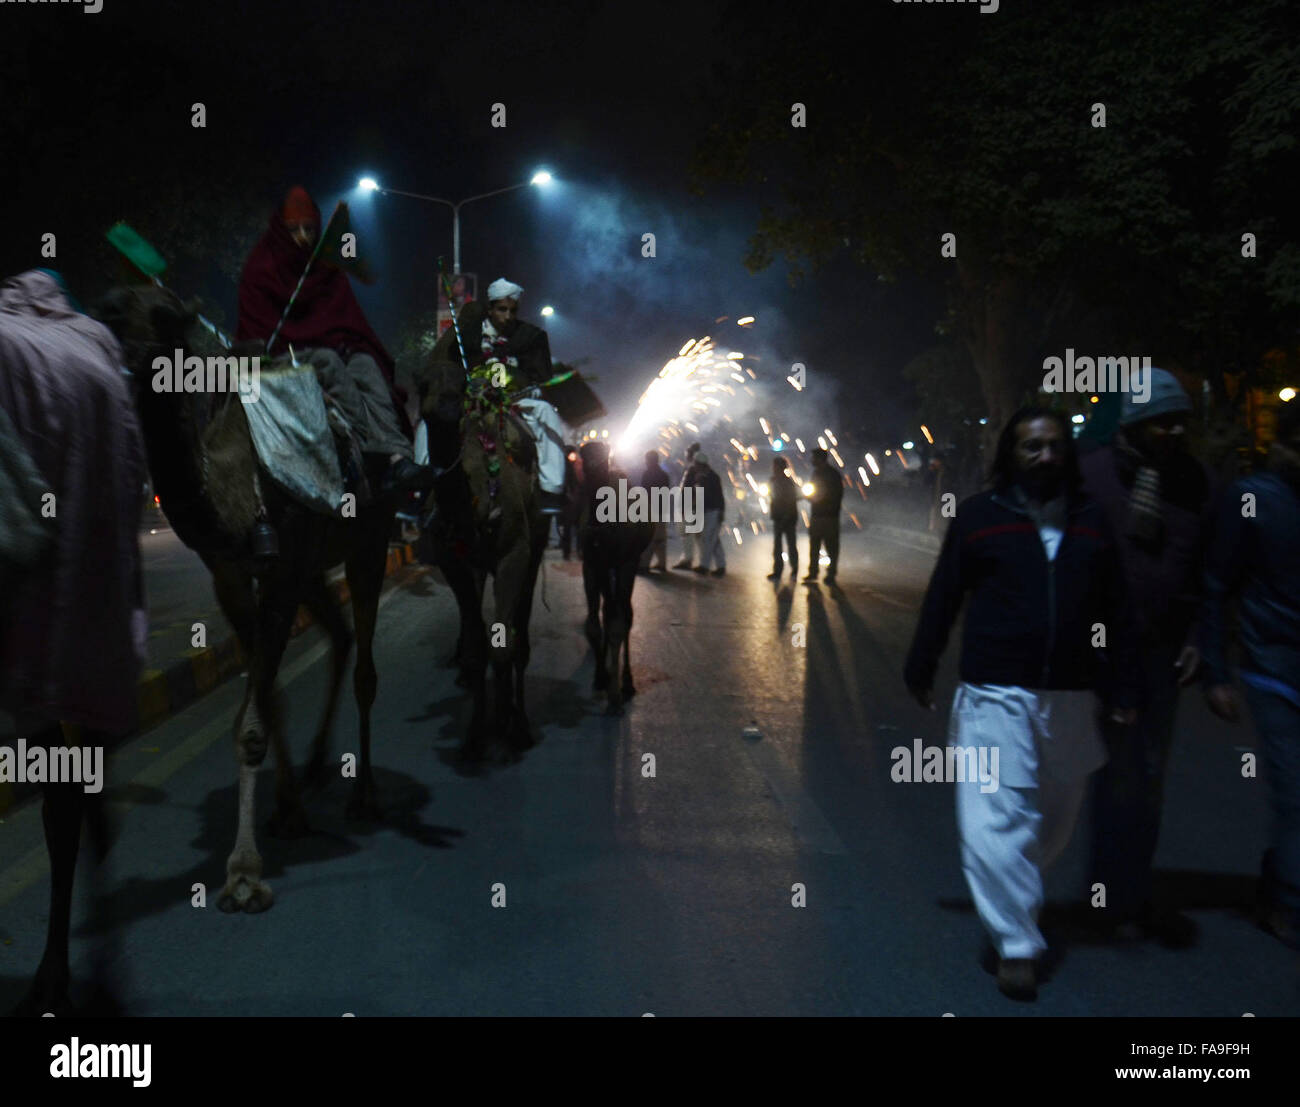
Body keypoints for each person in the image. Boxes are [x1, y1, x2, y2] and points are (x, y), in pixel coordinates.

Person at [903, 406, 1138, 1001]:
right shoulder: (981, 517)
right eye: (1031, 447)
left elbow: (1117, 607)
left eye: (1055, 445)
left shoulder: (1090, 520)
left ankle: (1016, 896)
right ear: (1011, 454)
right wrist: (923, 660)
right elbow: (944, 593)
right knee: (997, 816)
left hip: (1071, 692)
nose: (1044, 457)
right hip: (994, 692)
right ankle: (1016, 943)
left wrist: (1124, 682)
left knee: (1054, 815)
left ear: (1069, 454)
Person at [1081, 368, 1213, 946]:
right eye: (1161, 424)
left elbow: (1210, 577)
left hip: (1160, 655)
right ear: (1134, 426)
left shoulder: (1198, 486)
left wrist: (1202, 640)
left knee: (1148, 775)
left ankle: (1130, 893)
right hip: (1100, 654)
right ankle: (1104, 892)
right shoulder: (1090, 480)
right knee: (1111, 774)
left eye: (1179, 423)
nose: (1173, 434)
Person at [237, 186, 435, 501]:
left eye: (309, 229)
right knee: (329, 361)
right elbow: (254, 331)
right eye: (293, 230)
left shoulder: (324, 267)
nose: (302, 237)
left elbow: (346, 319)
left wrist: (353, 345)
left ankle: (398, 459)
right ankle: (369, 447)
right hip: (281, 359)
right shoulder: (261, 268)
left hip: (334, 352)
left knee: (367, 363)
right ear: (279, 230)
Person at [1200, 398, 1300, 950]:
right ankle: (1288, 904)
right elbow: (1218, 584)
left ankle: (1278, 877)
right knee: (1294, 791)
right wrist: (1216, 670)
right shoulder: (1251, 499)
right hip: (1271, 666)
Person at [426, 277, 568, 512]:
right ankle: (423, 483)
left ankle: (550, 490)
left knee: (547, 414)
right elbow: (447, 367)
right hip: (469, 401)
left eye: (513, 310)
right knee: (428, 422)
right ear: (490, 309)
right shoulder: (467, 337)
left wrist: (531, 385)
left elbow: (539, 376)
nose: (508, 316)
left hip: (515, 401)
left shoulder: (529, 337)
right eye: (502, 309)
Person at [803, 447, 843, 586]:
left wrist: (819, 500)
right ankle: (813, 572)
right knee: (814, 545)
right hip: (818, 515)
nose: (811, 460)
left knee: (830, 546)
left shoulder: (832, 475)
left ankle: (831, 573)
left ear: (820, 459)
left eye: (814, 458)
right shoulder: (817, 473)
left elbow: (835, 495)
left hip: (829, 516)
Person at [692, 453, 726, 577]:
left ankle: (704, 566)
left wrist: (720, 511)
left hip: (713, 511)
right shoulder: (704, 476)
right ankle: (721, 565)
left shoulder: (711, 477)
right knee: (713, 539)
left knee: (708, 538)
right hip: (709, 511)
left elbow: (716, 496)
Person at [638, 449, 671, 572]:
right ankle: (662, 563)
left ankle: (644, 564)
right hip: (662, 509)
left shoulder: (648, 474)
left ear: (649, 460)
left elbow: (644, 492)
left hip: (651, 509)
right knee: (660, 538)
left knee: (648, 537)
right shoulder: (664, 475)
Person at [768, 456, 799, 581]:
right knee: (778, 546)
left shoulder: (787, 482)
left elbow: (791, 500)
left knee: (789, 544)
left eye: (776, 466)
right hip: (779, 516)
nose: (774, 468)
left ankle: (793, 570)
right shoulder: (774, 481)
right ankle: (779, 570)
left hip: (788, 517)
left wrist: (785, 516)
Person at [673, 442, 702, 569]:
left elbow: (693, 488)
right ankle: (689, 558)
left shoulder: (693, 469)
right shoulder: (694, 468)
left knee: (687, 533)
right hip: (690, 504)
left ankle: (688, 559)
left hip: (689, 505)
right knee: (689, 533)